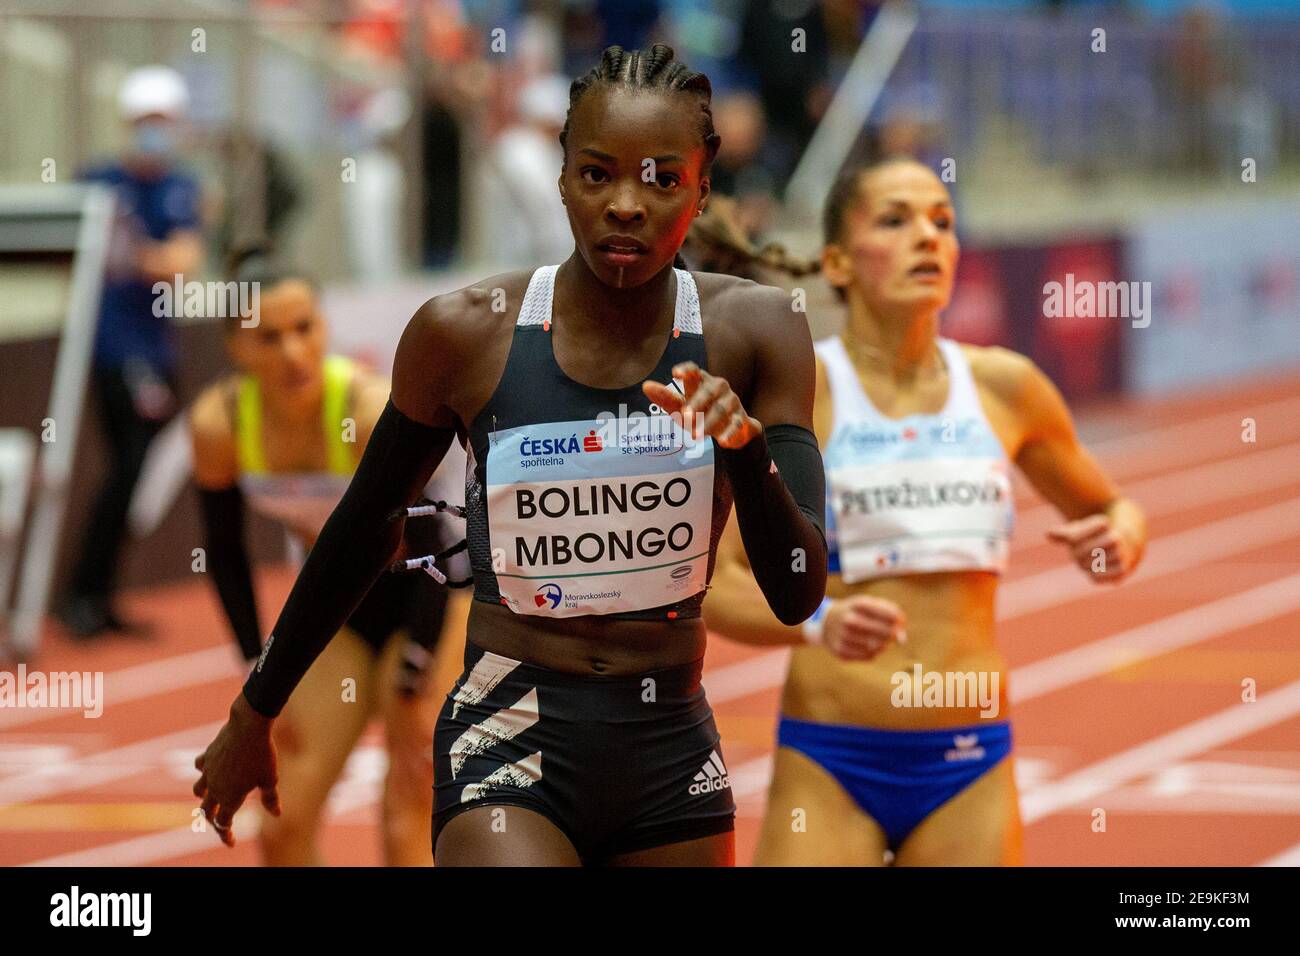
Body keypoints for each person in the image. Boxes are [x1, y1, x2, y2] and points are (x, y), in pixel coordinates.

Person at [193, 44, 828, 867]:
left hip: (669, 744)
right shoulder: (465, 332)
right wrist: (255, 710)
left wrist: (744, 449)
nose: (627, 204)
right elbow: (362, 528)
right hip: (509, 733)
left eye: (662, 179)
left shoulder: (760, 331)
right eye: (597, 174)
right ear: (561, 179)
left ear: (703, 190)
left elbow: (797, 591)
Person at [703, 156, 1147, 866]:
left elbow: (1115, 507)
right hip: (831, 757)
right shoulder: (803, 392)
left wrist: (1117, 540)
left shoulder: (1007, 387)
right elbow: (716, 582)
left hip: (969, 762)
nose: (928, 237)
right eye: (896, 220)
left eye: (942, 221)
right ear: (840, 263)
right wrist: (820, 621)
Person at [189, 249, 463, 865]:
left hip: (429, 597)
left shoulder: (366, 409)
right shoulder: (220, 424)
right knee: (286, 811)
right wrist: (254, 669)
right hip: (335, 611)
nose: (293, 353)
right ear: (235, 346)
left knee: (411, 793)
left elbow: (440, 536)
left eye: (304, 328)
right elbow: (226, 555)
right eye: (269, 337)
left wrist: (417, 660)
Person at [59, 65, 204, 638]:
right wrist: (150, 255)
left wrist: (137, 253)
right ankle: (83, 594)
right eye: (145, 121)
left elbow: (181, 262)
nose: (154, 131)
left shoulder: (179, 186)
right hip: (112, 348)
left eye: (163, 121)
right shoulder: (98, 181)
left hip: (154, 346)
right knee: (125, 468)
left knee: (131, 470)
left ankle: (96, 596)